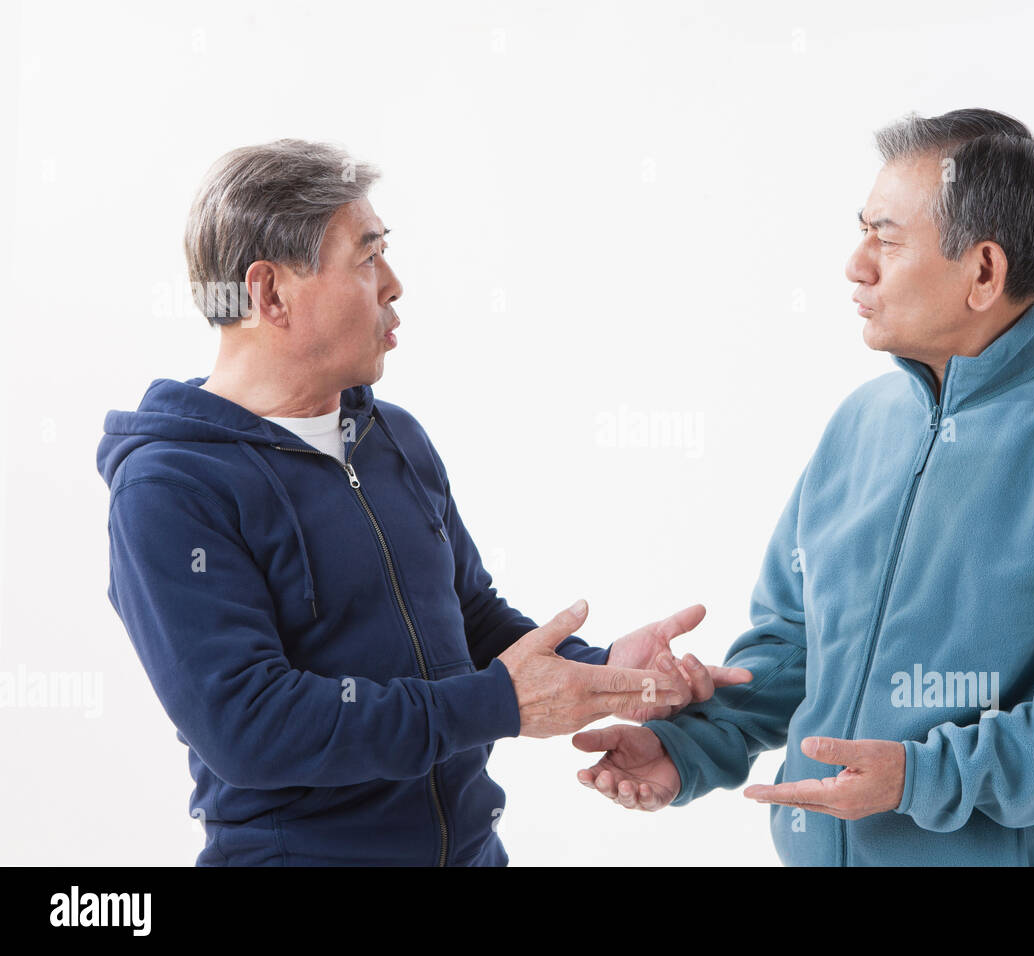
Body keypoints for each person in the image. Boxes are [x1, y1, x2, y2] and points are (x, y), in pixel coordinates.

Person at [575, 108, 1034, 866]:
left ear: (983, 273)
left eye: (886, 236)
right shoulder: (862, 421)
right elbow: (799, 643)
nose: (855, 264)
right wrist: (689, 748)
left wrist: (924, 777)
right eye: (861, 230)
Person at [96, 138, 750, 866]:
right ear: (269, 294)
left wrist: (607, 674)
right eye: (367, 256)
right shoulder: (169, 490)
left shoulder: (390, 435)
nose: (394, 283)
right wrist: (499, 704)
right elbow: (251, 729)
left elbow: (468, 622)